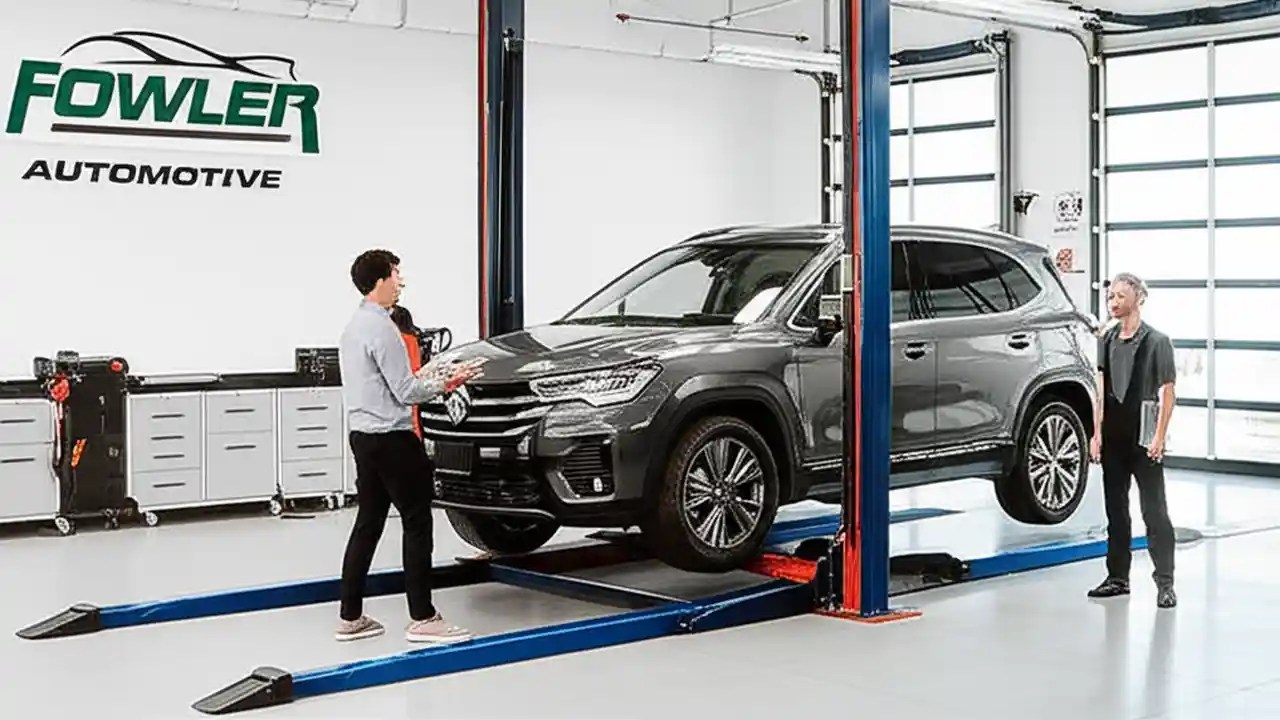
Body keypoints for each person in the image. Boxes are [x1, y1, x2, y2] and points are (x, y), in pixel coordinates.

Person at [336, 249, 485, 643]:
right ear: (380, 280)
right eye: (397, 274)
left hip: (363, 437)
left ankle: (350, 616)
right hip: (394, 440)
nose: (401, 282)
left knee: (368, 524)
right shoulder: (383, 328)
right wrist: (448, 381)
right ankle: (423, 617)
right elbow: (406, 392)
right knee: (417, 523)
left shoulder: (352, 328)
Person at [1088, 272, 1178, 609]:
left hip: (1144, 438)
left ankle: (1165, 583)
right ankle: (1117, 578)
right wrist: (1096, 435)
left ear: (1138, 298)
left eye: (1120, 297)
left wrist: (1159, 437)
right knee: (1116, 512)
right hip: (1113, 436)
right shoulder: (1106, 340)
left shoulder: (1158, 342)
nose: (1113, 303)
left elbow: (1168, 392)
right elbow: (1099, 392)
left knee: (1154, 512)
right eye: (1110, 297)